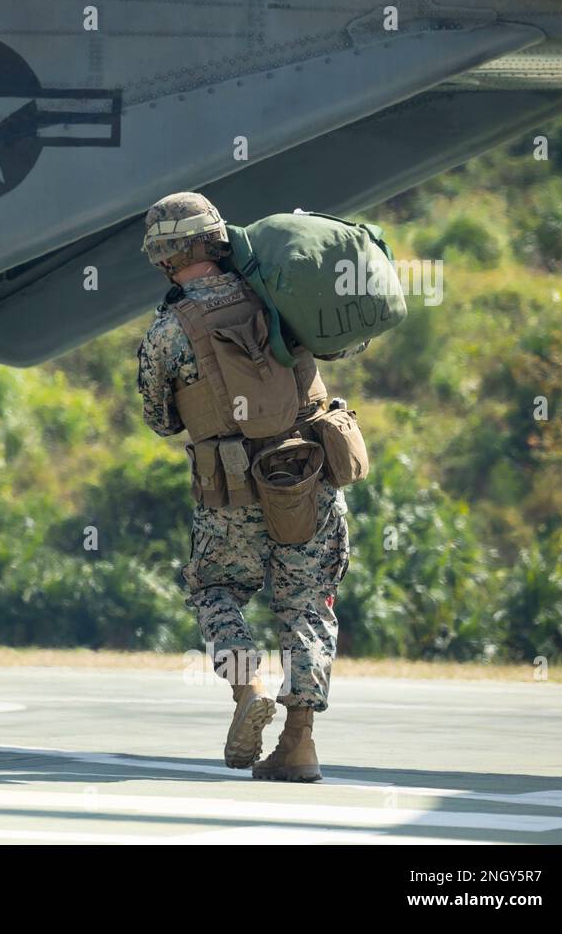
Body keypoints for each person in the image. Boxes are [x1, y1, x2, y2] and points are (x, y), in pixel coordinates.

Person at [136, 192, 364, 783]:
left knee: (215, 591)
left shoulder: (167, 330)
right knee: (308, 608)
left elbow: (161, 420)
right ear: (217, 241)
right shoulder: (282, 295)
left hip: (231, 490)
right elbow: (342, 339)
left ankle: (248, 688)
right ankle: (299, 743)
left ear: (164, 257)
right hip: (307, 474)